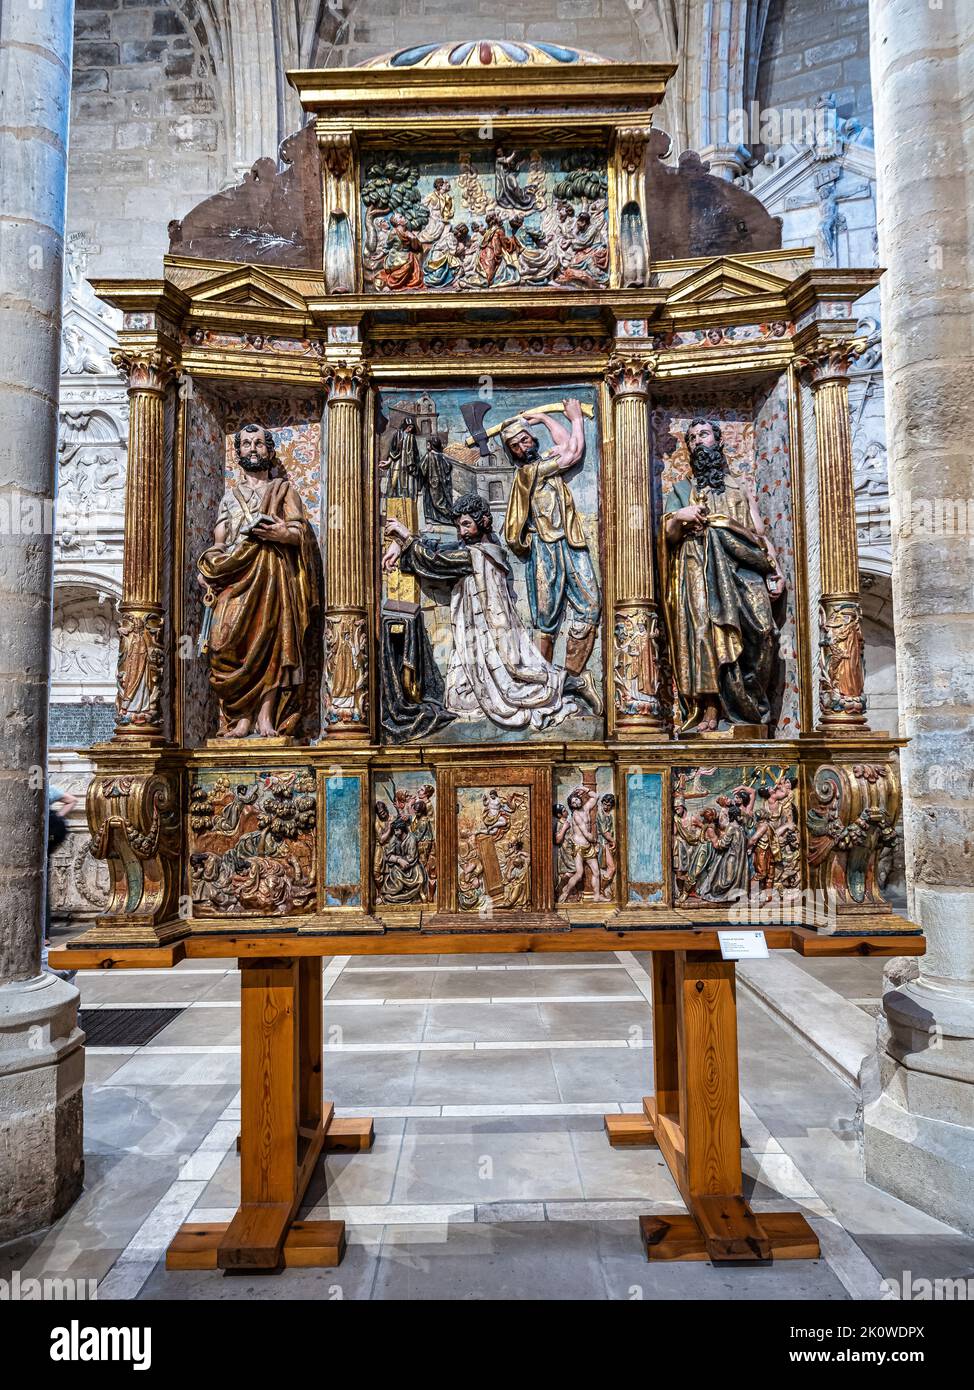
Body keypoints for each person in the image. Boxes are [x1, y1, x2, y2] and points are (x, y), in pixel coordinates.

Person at [382, 492, 599, 731]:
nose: (462, 531)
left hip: (492, 632)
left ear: (484, 521)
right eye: (458, 526)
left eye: (466, 524)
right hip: (474, 633)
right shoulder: (477, 549)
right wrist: (402, 543)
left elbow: (437, 559)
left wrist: (406, 537)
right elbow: (442, 549)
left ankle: (577, 683)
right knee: (462, 698)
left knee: (518, 681)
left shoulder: (479, 554)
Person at [197, 424, 320, 738]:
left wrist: (278, 533)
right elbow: (219, 542)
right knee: (223, 643)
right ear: (237, 453)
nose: (253, 449)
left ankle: (264, 718)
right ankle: (241, 717)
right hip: (235, 579)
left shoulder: (283, 491)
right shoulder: (229, 499)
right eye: (247, 444)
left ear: (270, 450)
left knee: (273, 642)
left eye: (259, 444)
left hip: (273, 579)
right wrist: (207, 568)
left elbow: (299, 532)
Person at [662, 418, 784, 733]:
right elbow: (667, 536)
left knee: (762, 632)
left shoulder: (739, 488)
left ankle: (750, 708)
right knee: (706, 637)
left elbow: (759, 534)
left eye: (703, 434)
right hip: (698, 568)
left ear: (717, 441)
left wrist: (777, 571)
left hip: (743, 569)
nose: (698, 441)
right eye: (691, 438)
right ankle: (712, 709)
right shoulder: (683, 490)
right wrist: (679, 515)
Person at [502, 398, 602, 713]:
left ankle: (574, 677)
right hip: (545, 549)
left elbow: (564, 446)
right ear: (513, 453)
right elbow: (573, 451)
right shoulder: (529, 473)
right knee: (546, 619)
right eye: (515, 445)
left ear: (532, 440)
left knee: (590, 606)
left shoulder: (545, 461)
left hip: (571, 544)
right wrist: (575, 418)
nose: (521, 446)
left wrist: (546, 418)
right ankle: (542, 687)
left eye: (524, 439)